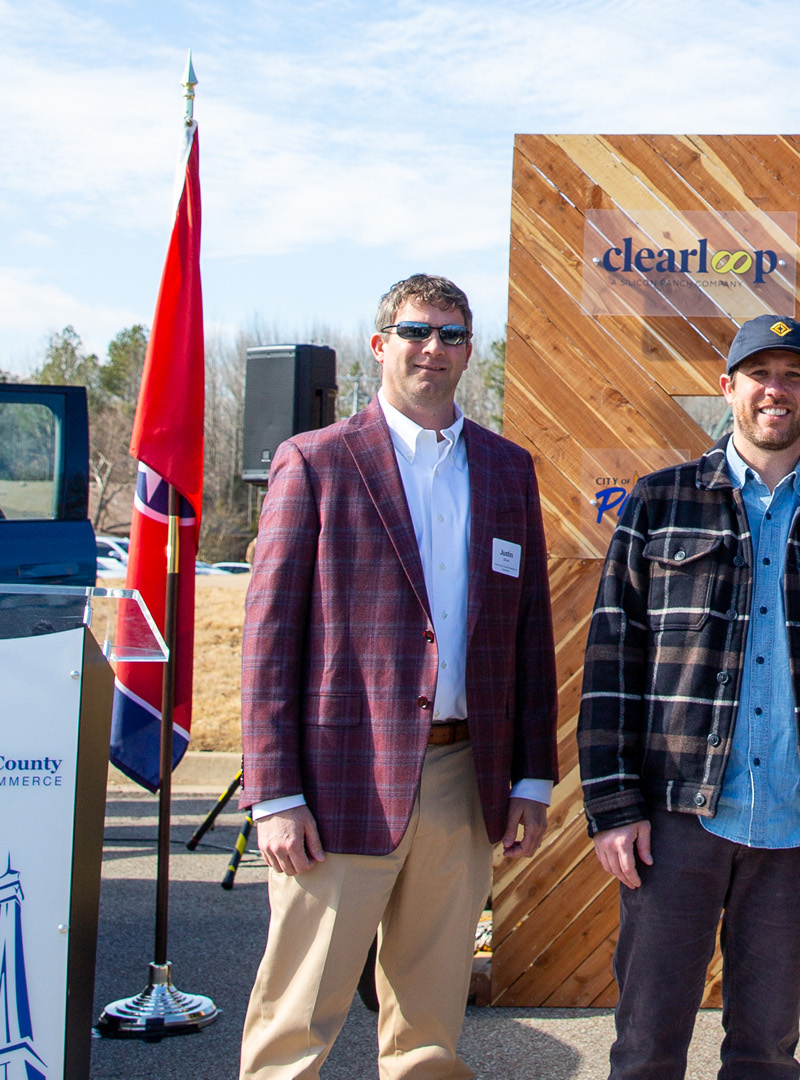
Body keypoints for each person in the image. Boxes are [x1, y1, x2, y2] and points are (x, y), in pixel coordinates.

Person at [238, 274, 558, 1080]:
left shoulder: (506, 470)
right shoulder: (314, 463)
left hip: (464, 780)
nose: (434, 350)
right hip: (341, 781)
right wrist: (274, 795)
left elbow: (527, 638)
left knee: (428, 1027)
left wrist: (531, 777)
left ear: (469, 353)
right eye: (417, 332)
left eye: (452, 336)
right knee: (297, 1019)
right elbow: (268, 642)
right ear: (381, 346)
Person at [579, 314, 800, 1080]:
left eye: (793, 375)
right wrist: (614, 807)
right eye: (759, 374)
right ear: (727, 388)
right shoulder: (660, 503)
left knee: (766, 1054)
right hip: (676, 822)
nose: (776, 390)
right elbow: (611, 664)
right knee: (646, 1048)